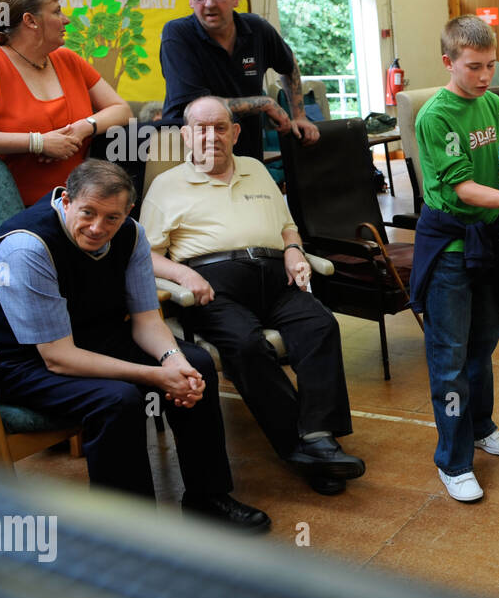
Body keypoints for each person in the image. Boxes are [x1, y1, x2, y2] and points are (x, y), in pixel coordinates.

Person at [0, 160, 270, 531]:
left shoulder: (131, 234)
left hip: (91, 338)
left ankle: (208, 497)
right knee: (117, 400)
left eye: (112, 218)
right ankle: (128, 529)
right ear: (65, 199)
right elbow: (58, 358)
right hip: (19, 361)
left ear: (128, 212)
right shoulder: (27, 247)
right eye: (88, 213)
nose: (98, 228)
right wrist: (157, 376)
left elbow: (146, 320)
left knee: (196, 364)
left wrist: (172, 360)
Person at [140, 96, 364, 496]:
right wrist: (183, 274)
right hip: (212, 287)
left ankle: (316, 437)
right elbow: (146, 256)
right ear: (187, 135)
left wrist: (294, 250)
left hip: (275, 277)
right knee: (246, 346)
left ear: (236, 133)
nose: (212, 137)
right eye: (202, 129)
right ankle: (300, 447)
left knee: (320, 326)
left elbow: (287, 226)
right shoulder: (166, 185)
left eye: (220, 128)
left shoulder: (257, 169)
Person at [409, 16, 499, 503]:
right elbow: (463, 187)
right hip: (449, 249)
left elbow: (496, 169)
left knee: (483, 344)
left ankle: (482, 426)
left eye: (490, 66)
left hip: (484, 240)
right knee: (449, 359)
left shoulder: (489, 103)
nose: (485, 77)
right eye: (473, 67)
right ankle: (454, 460)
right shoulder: (435, 116)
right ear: (449, 62)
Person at [0, 0, 130, 206]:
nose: (66, 19)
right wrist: (38, 142)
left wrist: (81, 128)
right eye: (57, 12)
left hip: (79, 206)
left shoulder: (68, 59)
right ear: (30, 21)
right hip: (13, 208)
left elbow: (122, 110)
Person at [160, 0, 319, 165]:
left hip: (247, 150)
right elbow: (200, 107)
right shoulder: (177, 34)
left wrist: (300, 115)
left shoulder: (258, 29)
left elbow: (288, 66)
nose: (208, 3)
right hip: (194, 156)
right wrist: (264, 103)